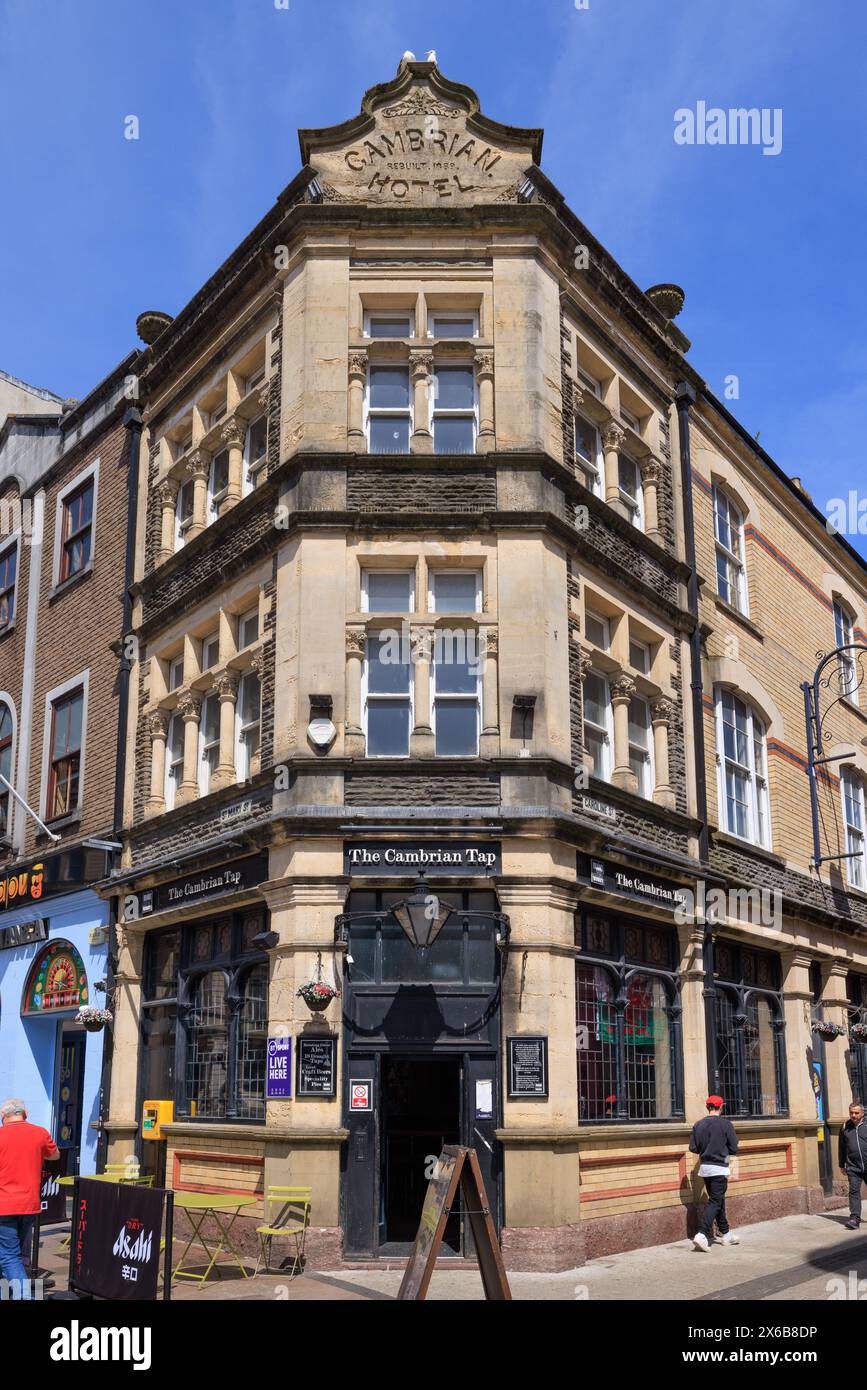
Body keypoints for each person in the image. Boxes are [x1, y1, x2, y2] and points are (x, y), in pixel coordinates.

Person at [0, 1098, 60, 1299]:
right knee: (14, 1254)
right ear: (25, 1113)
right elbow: (55, 1155)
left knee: (9, 1255)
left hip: (4, 1204)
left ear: (3, 1116)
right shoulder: (39, 1133)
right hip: (29, 1204)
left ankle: (23, 1297)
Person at [689, 1094, 740, 1251]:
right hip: (720, 1167)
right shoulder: (726, 1125)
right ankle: (702, 1234)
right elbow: (733, 1148)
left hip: (705, 1168)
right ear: (721, 1107)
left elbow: (693, 1148)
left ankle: (725, 1234)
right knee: (716, 1201)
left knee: (718, 1200)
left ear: (707, 1107)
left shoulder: (698, 1125)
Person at [838, 1101, 867, 1229]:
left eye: (856, 1113)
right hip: (853, 1167)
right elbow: (842, 1147)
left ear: (862, 1113)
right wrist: (841, 1164)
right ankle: (855, 1218)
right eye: (851, 1113)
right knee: (854, 1192)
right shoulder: (845, 1127)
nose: (853, 1115)